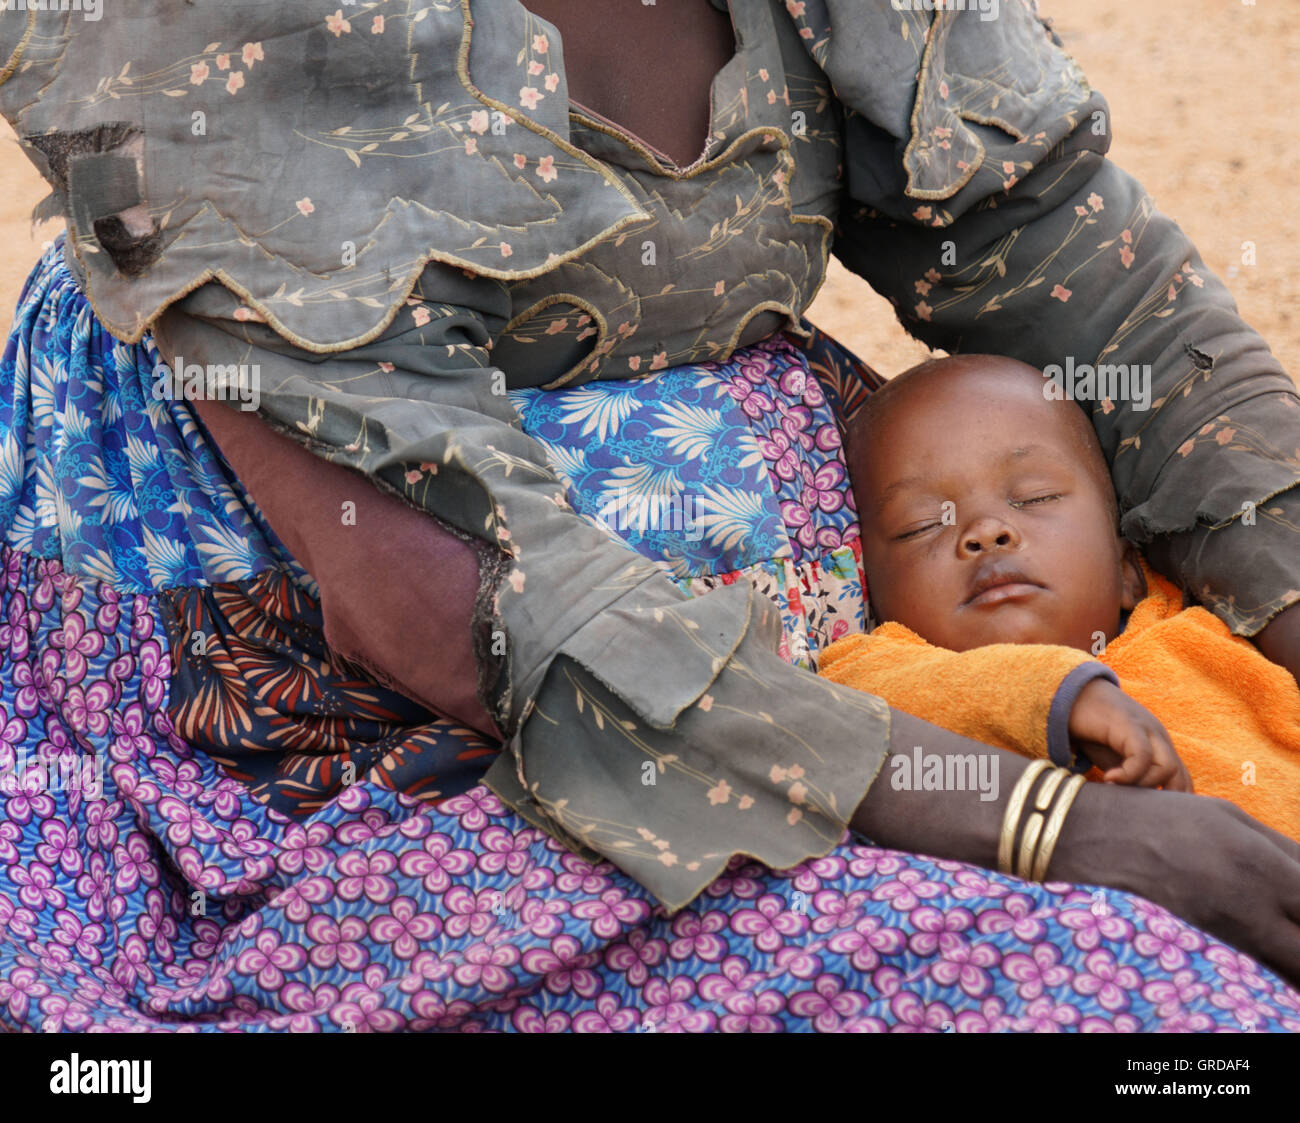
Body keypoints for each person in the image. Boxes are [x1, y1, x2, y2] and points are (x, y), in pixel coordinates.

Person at [2, 0, 1300, 1031]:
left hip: (798, 692)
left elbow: (1089, 290)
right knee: (1169, 1003)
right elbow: (463, 601)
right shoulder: (233, 28)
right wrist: (1046, 822)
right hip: (400, 758)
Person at [819, 353, 1300, 840]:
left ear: (1127, 569)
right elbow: (852, 710)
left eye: (1035, 497)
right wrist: (1059, 696)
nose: (987, 531)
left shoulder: (1212, 640)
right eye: (920, 525)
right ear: (873, 594)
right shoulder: (875, 671)